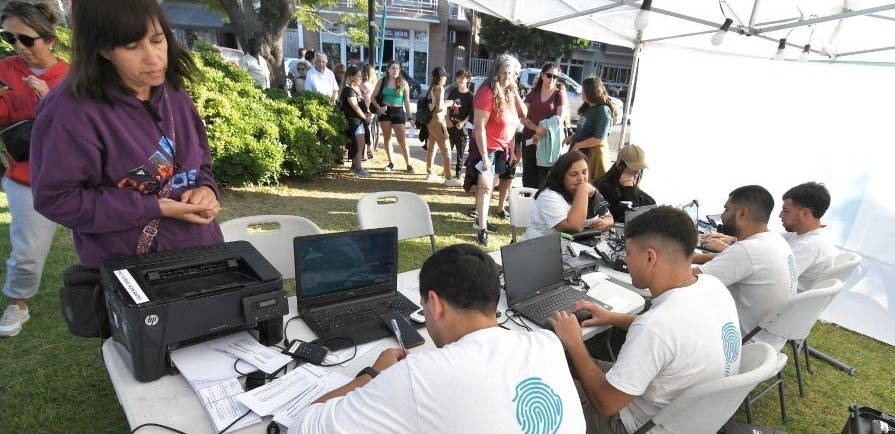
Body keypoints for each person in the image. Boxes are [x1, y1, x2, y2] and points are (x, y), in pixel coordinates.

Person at [289, 244, 586, 433]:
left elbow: (303, 426)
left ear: (435, 302)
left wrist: (373, 374)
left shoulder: (419, 375)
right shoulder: (546, 344)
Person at [30, 0, 224, 272]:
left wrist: (206, 189)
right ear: (102, 49)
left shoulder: (173, 93)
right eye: (132, 47)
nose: (153, 58)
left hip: (203, 255)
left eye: (157, 40)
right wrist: (154, 207)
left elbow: (200, 161)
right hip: (131, 271)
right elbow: (57, 199)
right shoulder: (69, 113)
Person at [549, 206, 742, 434]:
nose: (625, 260)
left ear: (650, 257)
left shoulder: (655, 326)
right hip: (683, 412)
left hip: (629, 424)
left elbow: (604, 403)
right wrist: (611, 317)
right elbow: (671, 339)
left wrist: (574, 342)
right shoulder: (712, 285)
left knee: (546, 386)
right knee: (562, 363)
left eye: (628, 253)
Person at [0, 1, 69, 337]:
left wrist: (48, 100)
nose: (19, 47)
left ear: (50, 39)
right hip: (26, 176)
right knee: (27, 250)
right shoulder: (5, 70)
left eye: (27, 39)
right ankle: (18, 303)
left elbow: (81, 130)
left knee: (110, 239)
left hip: (73, 176)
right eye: (11, 38)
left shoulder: (72, 75)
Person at [693, 185, 796, 350]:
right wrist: (697, 257)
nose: (722, 215)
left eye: (726, 209)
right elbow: (740, 260)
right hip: (766, 342)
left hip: (737, 343)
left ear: (742, 213)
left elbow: (682, 279)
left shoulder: (748, 250)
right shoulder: (775, 241)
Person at [704, 182, 835, 292]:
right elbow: (763, 238)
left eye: (786, 210)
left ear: (805, 212)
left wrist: (728, 249)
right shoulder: (803, 234)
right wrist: (732, 239)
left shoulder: (811, 245)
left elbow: (759, 262)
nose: (780, 215)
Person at [465, 54, 526, 246]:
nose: (508, 76)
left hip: (502, 148)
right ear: (496, 73)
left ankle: (479, 220)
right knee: (485, 187)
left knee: (491, 186)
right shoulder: (487, 93)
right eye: (504, 73)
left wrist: (515, 93)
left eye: (511, 73)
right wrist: (484, 156)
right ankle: (482, 229)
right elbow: (479, 126)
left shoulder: (509, 92)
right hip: (486, 147)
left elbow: (523, 115)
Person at [523, 151, 613, 240]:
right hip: (540, 247)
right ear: (561, 177)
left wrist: (603, 223)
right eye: (574, 174)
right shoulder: (549, 196)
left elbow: (609, 218)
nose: (581, 178)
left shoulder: (588, 191)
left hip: (577, 247)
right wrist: (583, 191)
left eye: (584, 172)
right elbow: (574, 228)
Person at [521, 62, 567, 189]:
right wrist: (537, 129)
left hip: (549, 142)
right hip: (530, 139)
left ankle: (541, 207)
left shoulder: (559, 94)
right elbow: (523, 116)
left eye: (555, 77)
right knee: (528, 177)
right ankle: (528, 206)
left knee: (545, 179)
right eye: (549, 75)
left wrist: (543, 130)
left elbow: (559, 118)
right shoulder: (532, 93)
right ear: (542, 75)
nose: (552, 79)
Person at [564, 76, 617, 182]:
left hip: (593, 157)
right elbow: (586, 130)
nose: (581, 93)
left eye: (583, 90)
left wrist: (578, 145)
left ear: (591, 92)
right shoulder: (588, 107)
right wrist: (573, 137)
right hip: (582, 154)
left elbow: (599, 138)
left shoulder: (603, 110)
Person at [370, 60, 413, 172]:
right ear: (388, 70)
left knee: (401, 140)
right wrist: (379, 108)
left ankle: (408, 164)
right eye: (393, 68)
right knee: (387, 138)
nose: (395, 70)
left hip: (398, 111)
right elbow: (372, 97)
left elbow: (407, 102)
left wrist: (410, 117)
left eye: (397, 68)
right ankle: (391, 163)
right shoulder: (382, 81)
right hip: (385, 111)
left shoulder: (404, 83)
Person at [596, 144, 656, 222]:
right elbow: (626, 216)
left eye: (640, 168)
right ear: (619, 164)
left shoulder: (646, 200)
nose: (637, 172)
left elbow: (651, 205)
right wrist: (628, 186)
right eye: (633, 167)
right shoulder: (605, 187)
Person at [424, 67, 459, 187]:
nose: (446, 78)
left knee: (432, 148)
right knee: (446, 150)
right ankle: (448, 178)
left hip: (430, 122)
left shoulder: (431, 88)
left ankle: (429, 172)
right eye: (445, 76)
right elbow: (439, 107)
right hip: (438, 122)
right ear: (440, 77)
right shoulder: (440, 88)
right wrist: (449, 103)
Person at [339, 65, 374, 178]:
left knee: (358, 144)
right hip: (355, 122)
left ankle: (355, 166)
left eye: (361, 76)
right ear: (351, 77)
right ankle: (358, 168)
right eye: (358, 76)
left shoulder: (355, 89)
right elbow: (355, 107)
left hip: (358, 121)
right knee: (358, 144)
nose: (360, 78)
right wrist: (365, 117)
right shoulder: (349, 90)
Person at [446, 68, 473, 180]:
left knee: (460, 151)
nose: (460, 79)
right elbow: (447, 107)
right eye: (458, 77)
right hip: (450, 124)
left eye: (463, 77)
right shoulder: (453, 92)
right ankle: (446, 171)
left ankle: (458, 173)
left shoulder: (470, 96)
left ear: (467, 80)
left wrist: (462, 122)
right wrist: (447, 119)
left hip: (461, 127)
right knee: (447, 149)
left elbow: (471, 114)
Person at [359, 63, 379, 160]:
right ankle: (370, 151)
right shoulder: (373, 84)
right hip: (372, 111)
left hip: (365, 110)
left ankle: (366, 153)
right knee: (369, 131)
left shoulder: (363, 85)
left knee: (365, 132)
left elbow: (361, 98)